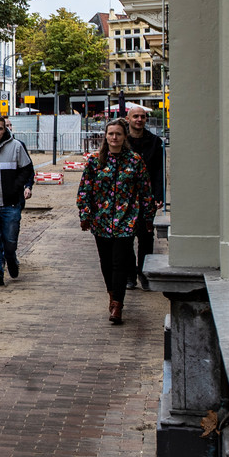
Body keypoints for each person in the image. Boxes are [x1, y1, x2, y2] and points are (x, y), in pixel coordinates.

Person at [76, 118, 156, 325]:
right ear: (105, 136)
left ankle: (118, 305)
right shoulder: (95, 161)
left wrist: (148, 218)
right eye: (111, 134)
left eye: (118, 134)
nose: (114, 137)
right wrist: (85, 215)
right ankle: (112, 295)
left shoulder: (135, 160)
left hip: (126, 220)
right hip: (100, 221)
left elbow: (145, 191)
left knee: (120, 262)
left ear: (124, 136)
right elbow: (84, 191)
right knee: (106, 262)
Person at [0, 115, 35, 287]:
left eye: (0, 128)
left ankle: (11, 258)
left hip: (11, 203)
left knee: (10, 241)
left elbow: (27, 170)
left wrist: (16, 187)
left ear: (6, 129)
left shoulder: (16, 147)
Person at [124, 105, 165, 290]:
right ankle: (130, 274)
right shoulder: (122, 141)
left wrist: (158, 195)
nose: (139, 120)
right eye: (136, 117)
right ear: (128, 119)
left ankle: (144, 272)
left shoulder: (155, 142)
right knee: (125, 238)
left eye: (142, 117)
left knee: (146, 238)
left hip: (146, 198)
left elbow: (159, 171)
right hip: (124, 198)